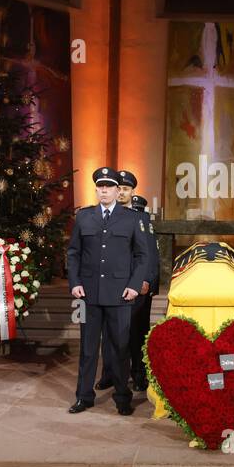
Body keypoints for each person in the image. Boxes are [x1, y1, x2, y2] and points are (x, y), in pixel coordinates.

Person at [65, 167, 152, 416]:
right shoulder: (84, 217)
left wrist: (134, 286)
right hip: (89, 293)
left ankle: (122, 396)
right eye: (100, 186)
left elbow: (141, 255)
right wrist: (75, 282)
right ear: (96, 189)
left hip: (120, 294)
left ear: (117, 190)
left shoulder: (131, 218)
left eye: (109, 186)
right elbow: (74, 253)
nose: (104, 190)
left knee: (120, 348)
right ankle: (84, 396)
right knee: (88, 348)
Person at [95, 170, 160, 396]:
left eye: (125, 189)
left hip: (137, 285)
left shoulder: (140, 217)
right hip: (113, 285)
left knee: (137, 332)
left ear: (132, 192)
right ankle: (109, 374)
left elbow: (150, 253)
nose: (121, 192)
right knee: (110, 331)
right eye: (119, 188)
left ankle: (139, 374)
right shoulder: (105, 215)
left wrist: (148, 283)